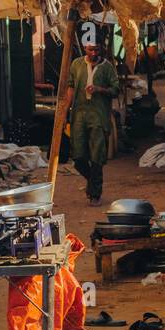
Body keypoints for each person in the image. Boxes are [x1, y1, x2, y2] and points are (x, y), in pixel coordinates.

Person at [69, 36, 119, 206]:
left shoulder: (107, 67)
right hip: (79, 114)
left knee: (97, 156)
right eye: (90, 49)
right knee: (78, 157)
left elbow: (115, 89)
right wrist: (65, 110)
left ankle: (95, 193)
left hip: (99, 115)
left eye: (96, 49)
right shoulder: (76, 64)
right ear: (85, 48)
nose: (93, 53)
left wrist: (99, 89)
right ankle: (92, 181)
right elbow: (70, 86)